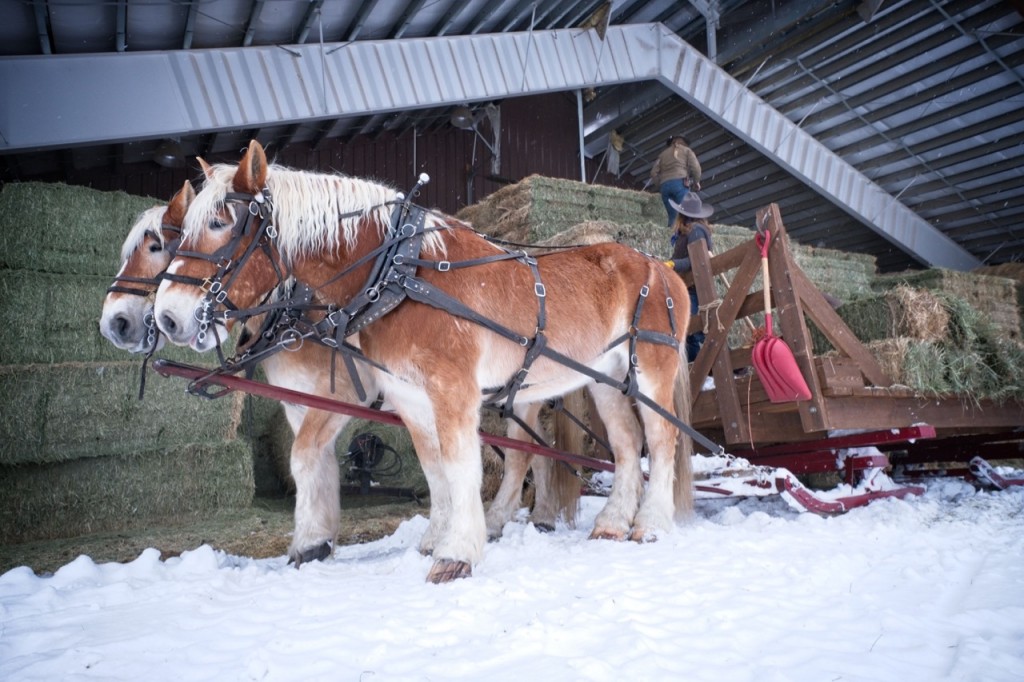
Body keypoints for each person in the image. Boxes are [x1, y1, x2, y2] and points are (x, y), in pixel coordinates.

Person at [664, 193, 715, 363]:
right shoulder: (686, 231)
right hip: (688, 286)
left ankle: (729, 366)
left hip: (696, 289)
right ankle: (695, 366)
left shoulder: (696, 231)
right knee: (692, 331)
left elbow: (696, 260)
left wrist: (673, 264)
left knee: (693, 328)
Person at [650, 135, 702, 231]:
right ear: (684, 143)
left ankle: (672, 240)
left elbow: (653, 173)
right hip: (680, 184)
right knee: (686, 215)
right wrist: (696, 181)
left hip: (665, 186)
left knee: (672, 218)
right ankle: (687, 238)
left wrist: (661, 184)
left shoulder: (662, 155)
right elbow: (696, 168)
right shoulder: (687, 151)